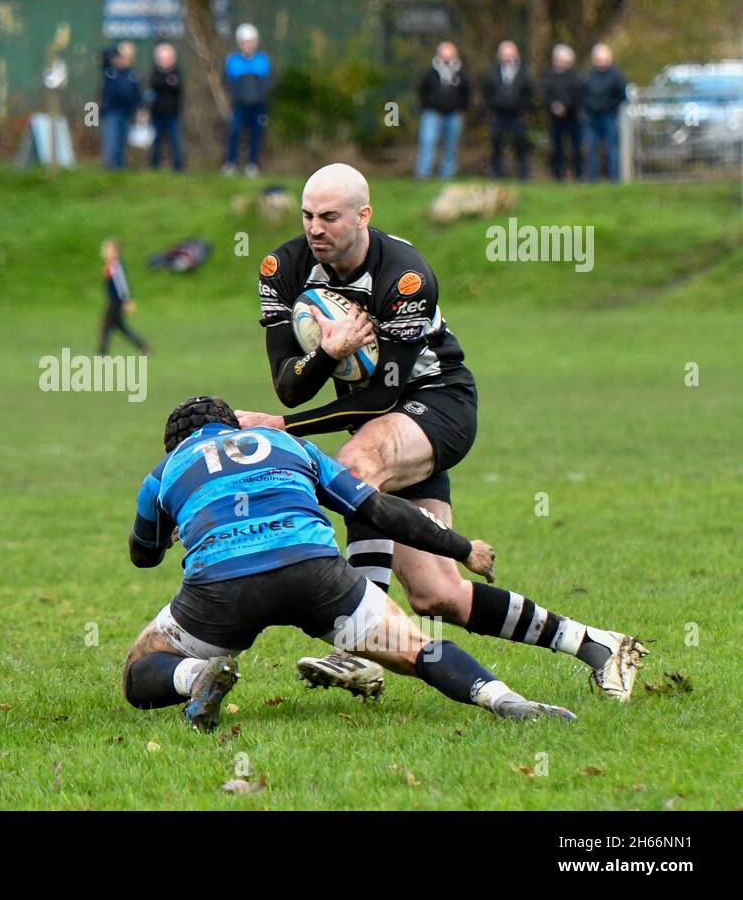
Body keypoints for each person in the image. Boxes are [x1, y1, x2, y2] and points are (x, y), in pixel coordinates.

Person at [241, 163, 647, 701]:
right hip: (375, 421)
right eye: (308, 216)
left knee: (356, 466)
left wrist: (285, 430)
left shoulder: (404, 274)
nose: (315, 228)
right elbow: (289, 386)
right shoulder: (282, 268)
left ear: (364, 216)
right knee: (438, 596)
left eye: (330, 217)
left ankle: (355, 652)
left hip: (439, 405)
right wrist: (327, 354)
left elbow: (385, 395)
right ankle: (597, 644)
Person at [122, 396, 578, 732]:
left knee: (142, 668)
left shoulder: (165, 472)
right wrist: (463, 549)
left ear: (176, 444)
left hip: (222, 588)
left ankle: (197, 675)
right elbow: (376, 510)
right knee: (418, 648)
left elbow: (144, 556)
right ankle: (504, 699)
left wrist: (171, 526)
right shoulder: (284, 443)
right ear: (233, 425)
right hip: (315, 573)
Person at [222, 24, 274, 178]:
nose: (248, 45)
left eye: (251, 42)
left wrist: (261, 98)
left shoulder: (263, 60)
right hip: (239, 105)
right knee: (235, 132)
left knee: (257, 134)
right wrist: (236, 97)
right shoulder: (233, 61)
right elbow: (227, 82)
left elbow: (270, 83)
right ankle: (231, 162)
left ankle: (252, 164)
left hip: (259, 106)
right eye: (245, 42)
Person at [414, 41, 470, 180]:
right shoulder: (430, 72)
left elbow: (466, 92)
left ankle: (447, 175)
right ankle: (423, 174)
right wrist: (428, 105)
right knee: (428, 142)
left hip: (453, 115)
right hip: (432, 114)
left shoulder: (460, 73)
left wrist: (460, 107)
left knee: (451, 146)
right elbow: (421, 90)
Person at [482, 40, 534, 180]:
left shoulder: (524, 71)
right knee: (496, 142)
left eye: (511, 54)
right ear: (500, 55)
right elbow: (486, 92)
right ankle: (496, 172)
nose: (508, 57)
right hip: (498, 113)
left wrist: (526, 112)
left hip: (518, 114)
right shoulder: (492, 71)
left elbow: (530, 92)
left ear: (516, 55)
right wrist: (489, 110)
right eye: (505, 54)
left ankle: (524, 174)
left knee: (521, 143)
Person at [582, 44, 627, 182]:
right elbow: (583, 93)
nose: (600, 62)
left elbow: (622, 96)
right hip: (591, 117)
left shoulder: (616, 76)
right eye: (598, 59)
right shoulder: (589, 75)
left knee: (611, 148)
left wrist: (609, 106)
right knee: (591, 148)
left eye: (603, 59)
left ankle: (614, 178)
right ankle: (592, 179)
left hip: (609, 116)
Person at [98, 238, 150, 355]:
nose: (105, 251)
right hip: (113, 300)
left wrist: (128, 300)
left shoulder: (116, 266)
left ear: (115, 252)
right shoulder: (110, 265)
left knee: (106, 326)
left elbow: (122, 283)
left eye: (108, 249)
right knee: (121, 327)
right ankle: (144, 347)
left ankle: (101, 353)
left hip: (116, 302)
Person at [543, 44, 583, 181]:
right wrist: (554, 106)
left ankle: (579, 175)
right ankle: (558, 175)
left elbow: (577, 94)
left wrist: (565, 106)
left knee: (576, 148)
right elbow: (546, 94)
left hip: (573, 116)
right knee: (557, 147)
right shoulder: (549, 76)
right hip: (555, 118)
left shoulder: (575, 75)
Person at [100, 42, 142, 170]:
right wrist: (119, 49)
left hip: (127, 112)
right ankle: (109, 167)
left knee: (122, 142)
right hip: (111, 112)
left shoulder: (133, 75)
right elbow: (104, 54)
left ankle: (119, 169)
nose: (123, 60)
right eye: (121, 56)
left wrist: (139, 110)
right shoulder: (109, 71)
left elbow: (137, 94)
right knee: (111, 141)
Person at [147, 42, 184, 171]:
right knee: (157, 142)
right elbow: (156, 84)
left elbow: (177, 89)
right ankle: (154, 165)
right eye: (162, 58)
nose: (165, 61)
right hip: (157, 114)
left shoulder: (177, 71)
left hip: (173, 114)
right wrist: (167, 82)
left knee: (176, 142)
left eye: (168, 58)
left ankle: (179, 167)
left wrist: (167, 83)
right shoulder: (155, 72)